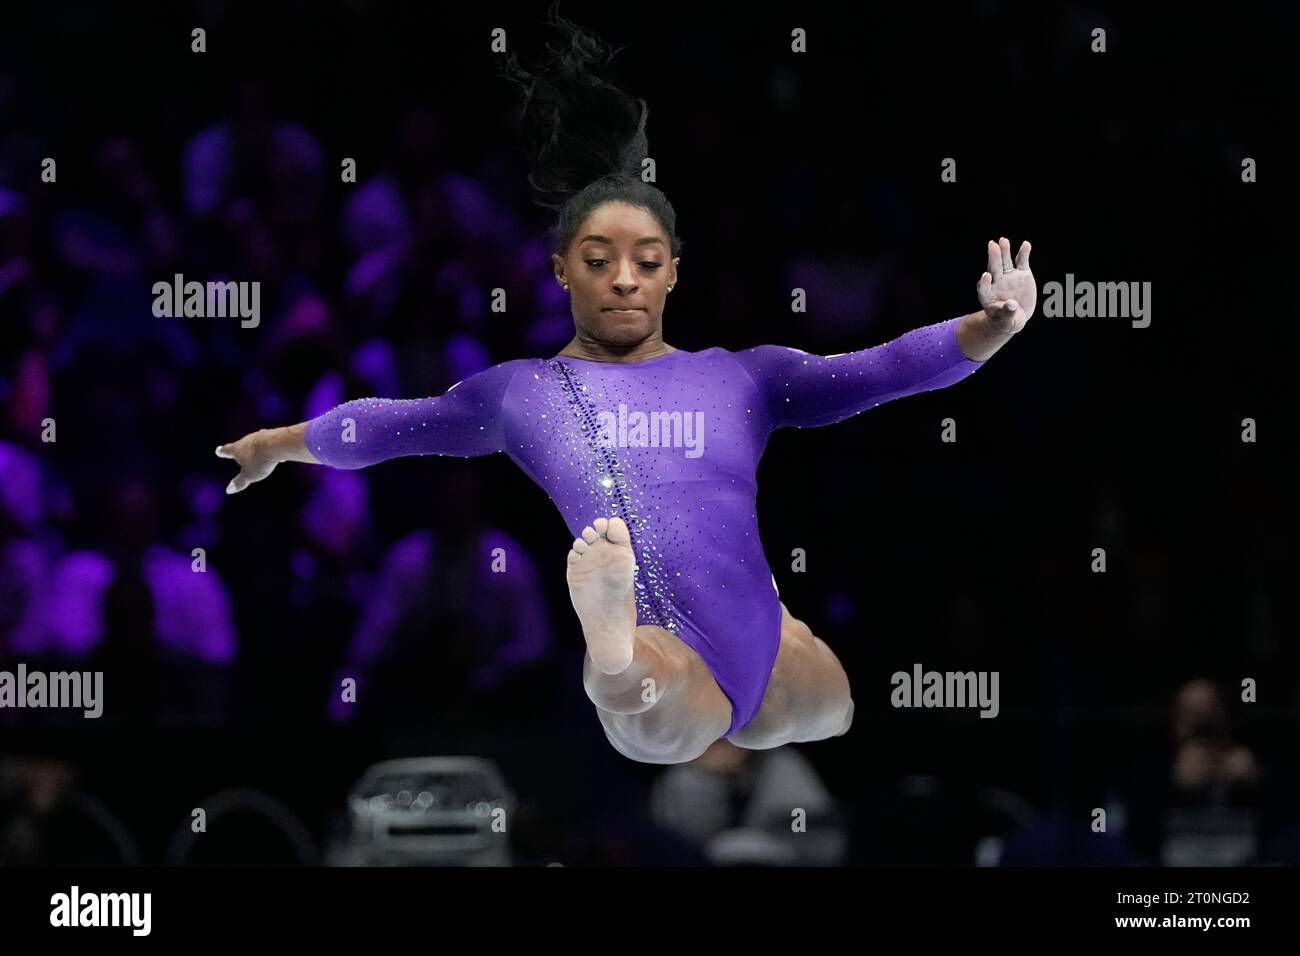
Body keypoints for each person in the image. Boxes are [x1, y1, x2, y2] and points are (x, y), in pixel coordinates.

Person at [216, 11, 1036, 765]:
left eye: (646, 262)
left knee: (838, 709)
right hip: (664, 654)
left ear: (674, 272)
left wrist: (990, 326)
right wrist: (277, 446)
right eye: (598, 262)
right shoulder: (527, 394)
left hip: (767, 657)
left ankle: (763, 623)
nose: (623, 282)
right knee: (649, 704)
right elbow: (393, 424)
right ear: (560, 270)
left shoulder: (744, 376)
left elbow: (880, 369)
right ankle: (607, 639)